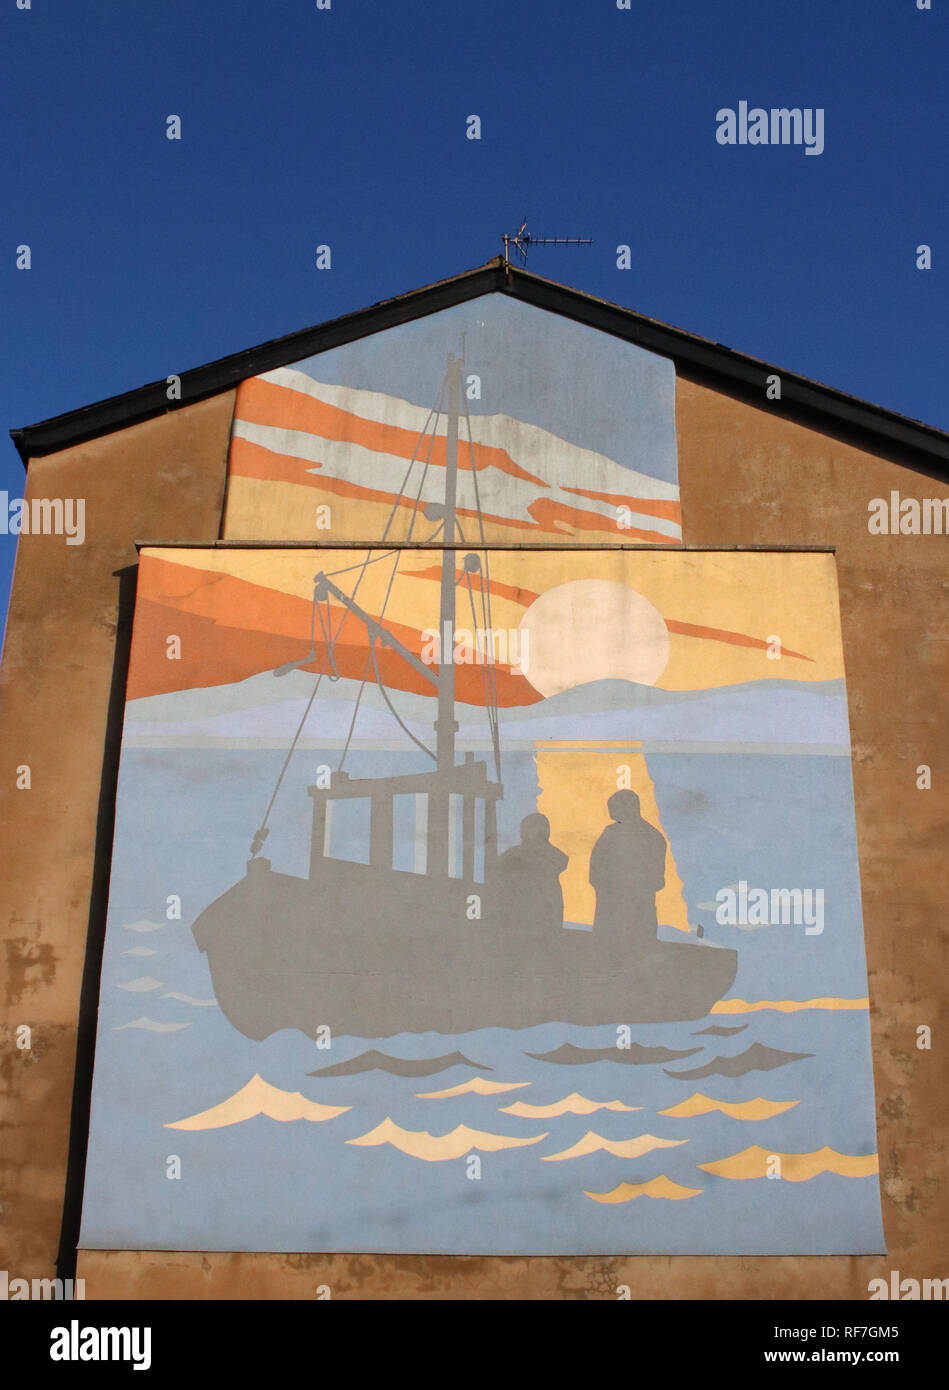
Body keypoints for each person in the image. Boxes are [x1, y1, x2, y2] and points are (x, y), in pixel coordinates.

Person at [589, 790, 666, 953]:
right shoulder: (654, 836)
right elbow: (596, 864)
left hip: (628, 904)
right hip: (620, 902)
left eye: (614, 809)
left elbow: (657, 878)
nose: (611, 814)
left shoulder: (648, 836)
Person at [493, 813, 568, 933]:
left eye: (526, 829)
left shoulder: (550, 855)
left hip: (542, 911)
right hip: (522, 911)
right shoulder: (515, 853)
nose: (522, 834)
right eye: (522, 830)